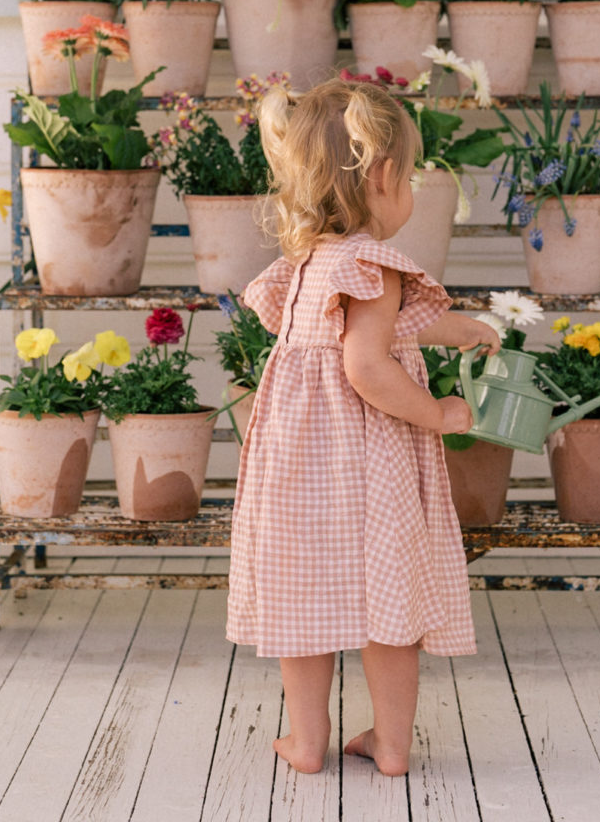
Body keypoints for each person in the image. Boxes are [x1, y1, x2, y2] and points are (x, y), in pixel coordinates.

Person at [226, 76, 502, 776]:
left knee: (304, 596)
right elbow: (367, 365)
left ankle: (308, 739)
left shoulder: (307, 264)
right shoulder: (376, 261)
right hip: (365, 457)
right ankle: (391, 743)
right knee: (389, 604)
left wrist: (456, 328)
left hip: (298, 463)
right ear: (382, 177)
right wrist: (436, 413)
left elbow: (371, 324)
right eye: (407, 176)